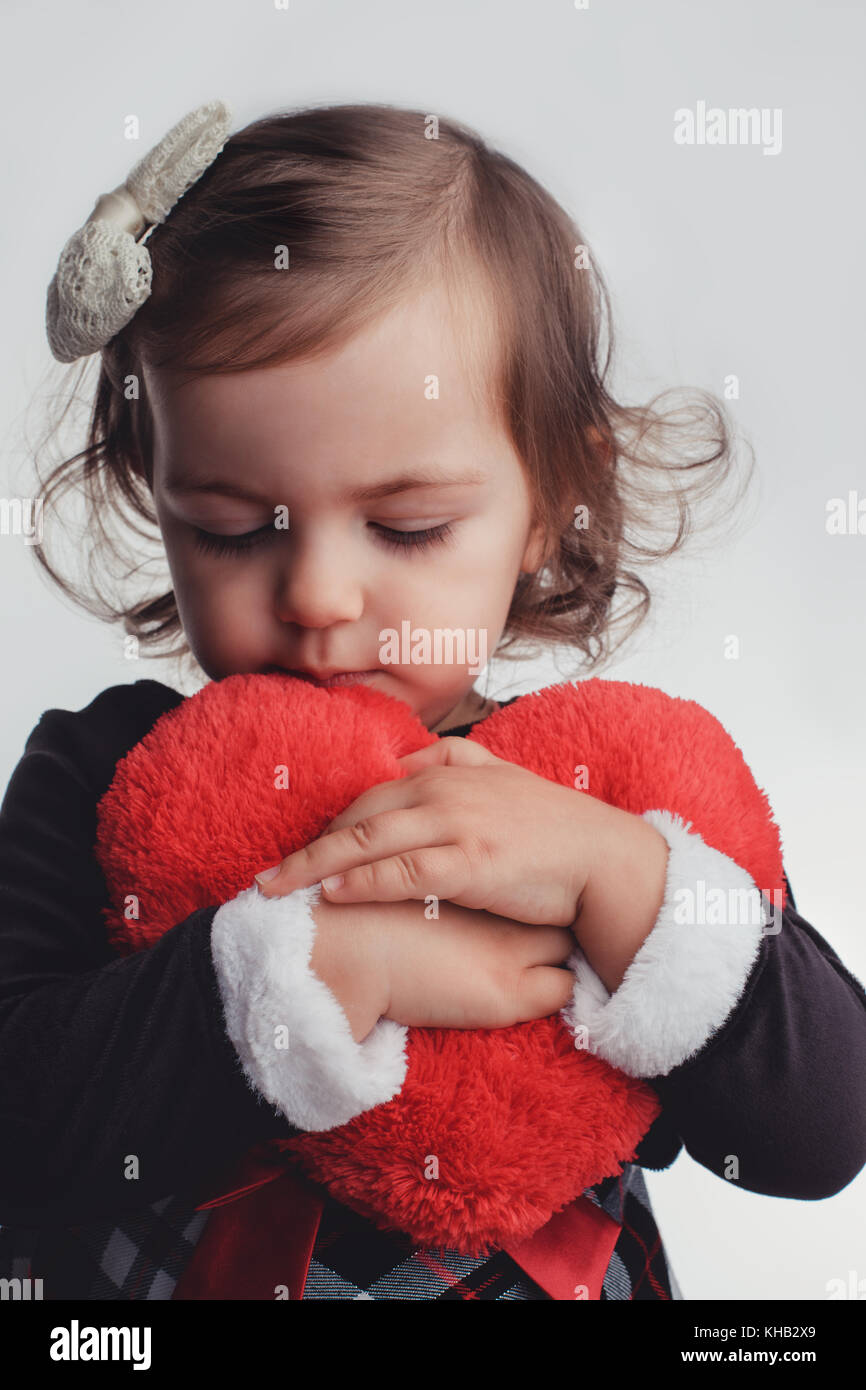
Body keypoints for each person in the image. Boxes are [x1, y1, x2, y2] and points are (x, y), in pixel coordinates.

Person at [1, 99, 864, 1301]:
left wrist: (626, 885)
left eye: (406, 527)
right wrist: (299, 977)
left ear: (549, 501)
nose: (314, 594)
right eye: (232, 527)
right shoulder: (96, 778)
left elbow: (822, 1133)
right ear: (151, 488)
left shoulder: (600, 796)